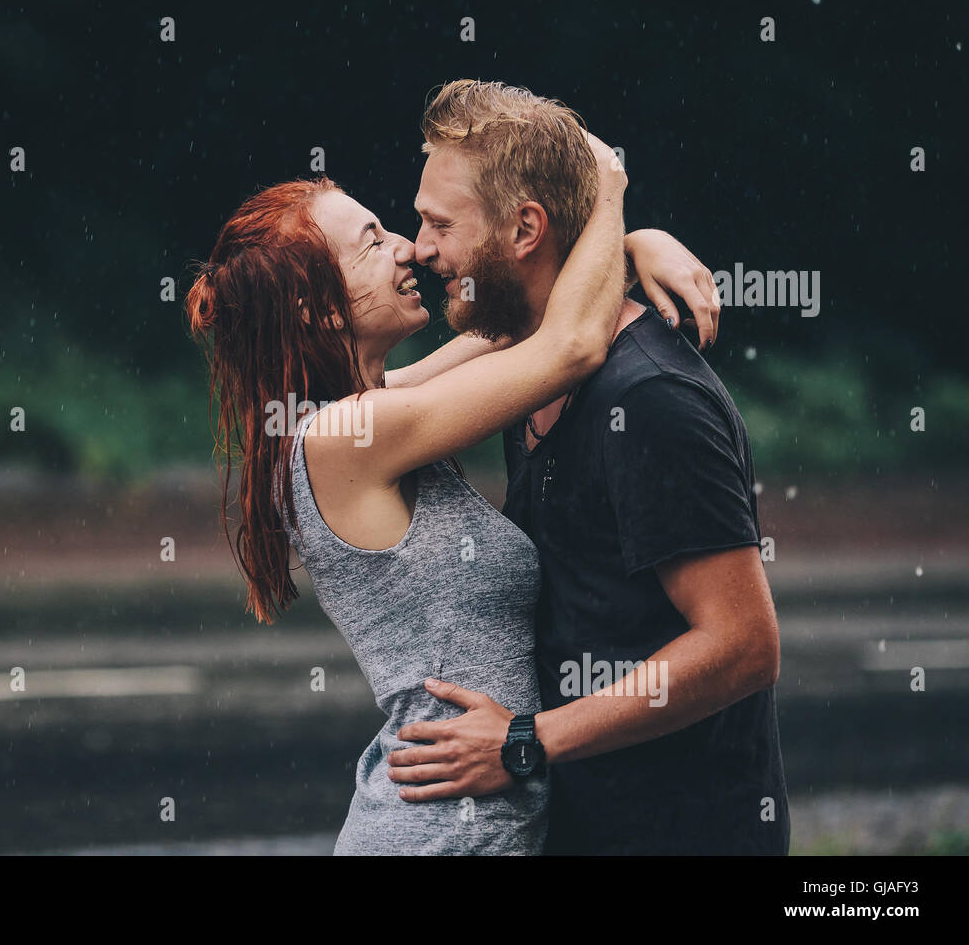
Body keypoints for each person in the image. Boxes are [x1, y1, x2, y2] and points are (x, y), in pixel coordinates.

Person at [187, 107, 720, 851]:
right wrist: (607, 189)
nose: (406, 249)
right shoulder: (346, 438)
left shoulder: (380, 405)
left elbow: (523, 320)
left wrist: (634, 244)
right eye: (372, 243)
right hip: (434, 833)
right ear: (316, 309)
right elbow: (567, 346)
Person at [385, 80, 789, 855]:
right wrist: (630, 237)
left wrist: (525, 740)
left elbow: (743, 644)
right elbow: (549, 334)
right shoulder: (533, 364)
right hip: (580, 825)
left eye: (439, 224)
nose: (419, 247)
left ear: (525, 228)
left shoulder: (650, 400)